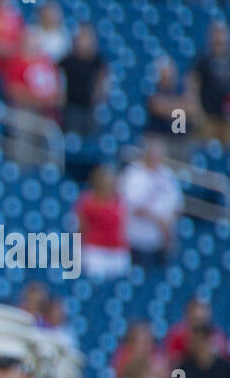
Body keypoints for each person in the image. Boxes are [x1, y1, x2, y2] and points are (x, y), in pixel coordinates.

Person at [118, 135, 182, 268]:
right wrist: (160, 221)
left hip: (162, 239)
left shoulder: (167, 174)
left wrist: (168, 225)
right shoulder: (133, 174)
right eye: (154, 154)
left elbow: (177, 205)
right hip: (138, 239)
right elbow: (135, 207)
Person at [73, 164, 129, 279]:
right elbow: (80, 227)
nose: (107, 185)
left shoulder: (120, 201)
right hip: (95, 251)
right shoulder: (87, 201)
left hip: (117, 251)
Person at [58, 23, 108, 137]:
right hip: (70, 108)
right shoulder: (67, 60)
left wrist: (97, 95)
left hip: (88, 108)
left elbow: (102, 79)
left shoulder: (97, 61)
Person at [148, 56, 200, 157]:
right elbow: (158, 107)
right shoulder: (154, 89)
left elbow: (193, 111)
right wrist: (182, 105)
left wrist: (169, 105)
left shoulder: (180, 89)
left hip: (182, 139)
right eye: (165, 76)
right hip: (161, 138)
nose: (168, 79)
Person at [189, 22, 230, 144]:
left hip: (227, 119)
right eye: (216, 34)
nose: (219, 39)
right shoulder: (203, 61)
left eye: (221, 34)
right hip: (207, 117)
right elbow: (193, 87)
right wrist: (198, 113)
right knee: (205, 148)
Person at [163, 297, 227, 364]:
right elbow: (172, 363)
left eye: (202, 319)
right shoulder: (177, 336)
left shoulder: (217, 338)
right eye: (196, 319)